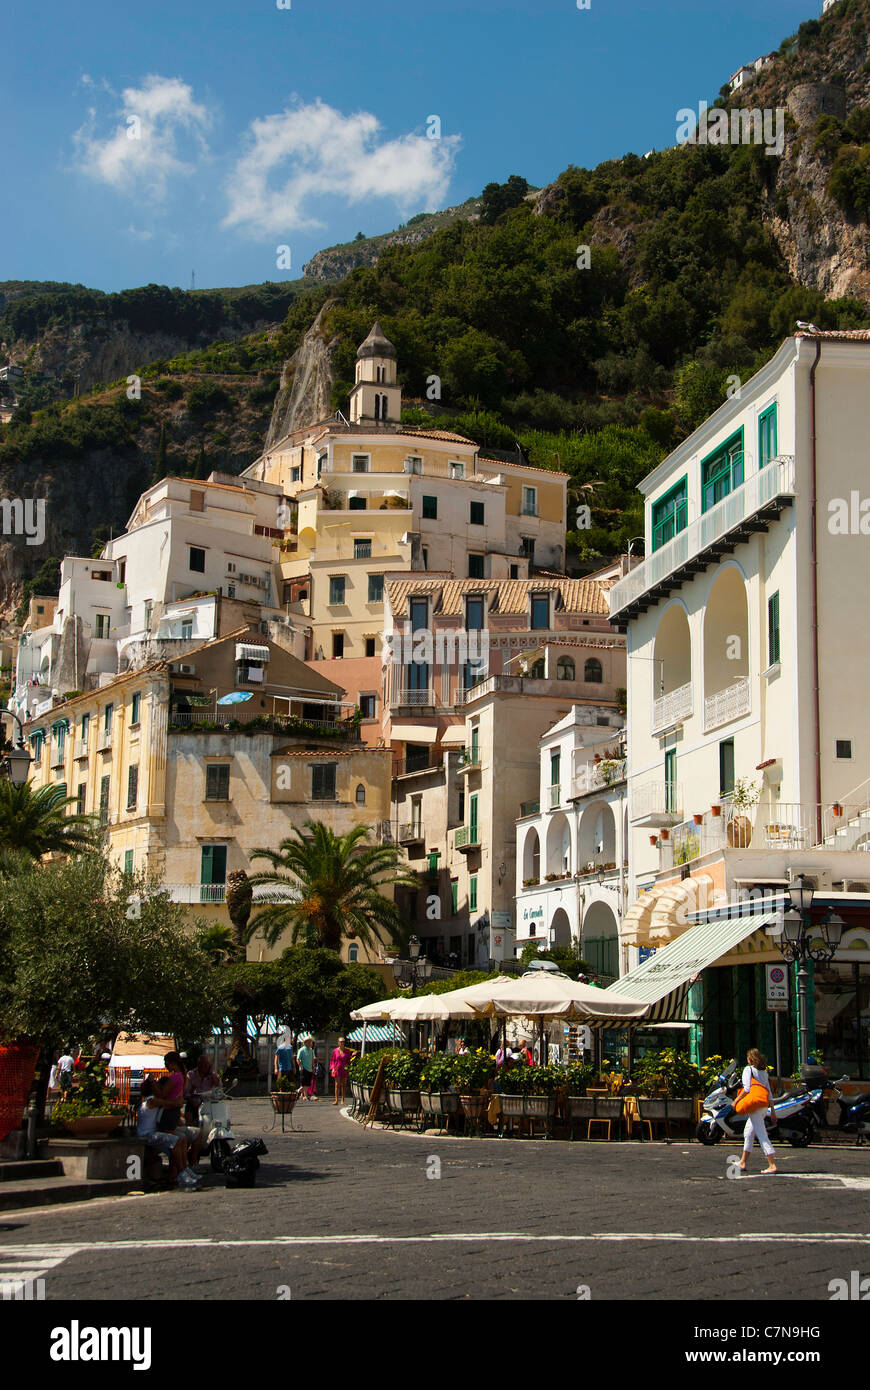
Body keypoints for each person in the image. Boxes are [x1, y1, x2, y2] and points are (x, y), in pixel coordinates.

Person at [137, 1078, 200, 1189]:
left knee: (180, 1137)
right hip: (147, 1135)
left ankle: (185, 1168)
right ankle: (181, 1173)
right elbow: (171, 1102)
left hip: (153, 1133)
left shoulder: (150, 1100)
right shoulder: (152, 1100)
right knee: (174, 1141)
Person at [738, 1048, 777, 1175]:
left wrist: (736, 1101)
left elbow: (747, 1089)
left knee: (761, 1134)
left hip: (754, 1105)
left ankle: (772, 1164)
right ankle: (743, 1162)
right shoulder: (764, 1074)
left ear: (750, 1059)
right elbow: (769, 1093)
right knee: (748, 1132)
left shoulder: (747, 1070)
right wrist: (773, 1111)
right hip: (763, 1105)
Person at [184, 1054, 220, 1126]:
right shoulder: (191, 1074)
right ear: (198, 1064)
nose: (204, 1066)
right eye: (202, 1064)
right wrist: (191, 1100)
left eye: (206, 1064)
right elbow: (186, 1092)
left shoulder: (212, 1074)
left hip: (208, 1104)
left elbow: (219, 1086)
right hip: (194, 1104)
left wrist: (212, 1074)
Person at [330, 1037, 353, 1106]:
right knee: (337, 1085)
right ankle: (336, 1100)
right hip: (337, 1069)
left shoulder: (347, 1051)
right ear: (338, 1043)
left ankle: (343, 1099)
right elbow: (332, 1060)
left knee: (344, 1085)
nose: (342, 1043)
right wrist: (333, 1068)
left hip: (344, 1069)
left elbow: (349, 1060)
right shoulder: (335, 1051)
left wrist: (352, 1057)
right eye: (340, 1042)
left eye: (343, 1042)